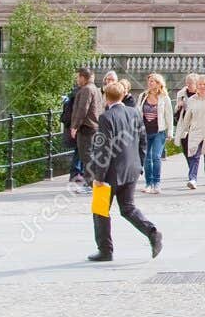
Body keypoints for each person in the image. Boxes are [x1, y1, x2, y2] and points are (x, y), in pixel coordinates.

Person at [85, 80, 162, 263]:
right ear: (122, 95)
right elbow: (143, 141)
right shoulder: (134, 112)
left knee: (100, 209)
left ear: (105, 97)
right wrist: (139, 164)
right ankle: (152, 232)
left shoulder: (106, 117)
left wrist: (98, 176)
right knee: (128, 208)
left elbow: (104, 148)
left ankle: (105, 250)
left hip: (111, 171)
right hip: (132, 168)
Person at [173, 74, 205, 189]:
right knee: (193, 155)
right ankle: (192, 179)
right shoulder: (192, 100)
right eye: (200, 84)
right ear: (197, 86)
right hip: (195, 131)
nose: (202, 86)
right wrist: (184, 131)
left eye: (204, 84)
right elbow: (187, 117)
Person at [67, 68, 104, 196]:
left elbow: (82, 109)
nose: (77, 80)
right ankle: (92, 183)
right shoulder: (96, 89)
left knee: (86, 156)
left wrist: (74, 126)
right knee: (90, 155)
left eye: (78, 77)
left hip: (86, 127)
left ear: (84, 77)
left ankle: (90, 184)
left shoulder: (87, 89)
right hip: (94, 127)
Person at [138, 74, 174, 195]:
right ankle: (149, 184)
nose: (150, 83)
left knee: (156, 156)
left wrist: (170, 132)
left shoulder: (164, 98)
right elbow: (138, 112)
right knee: (147, 158)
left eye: (153, 81)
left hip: (159, 131)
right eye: (149, 81)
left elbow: (169, 115)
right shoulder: (143, 96)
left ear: (159, 83)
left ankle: (157, 183)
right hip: (145, 131)